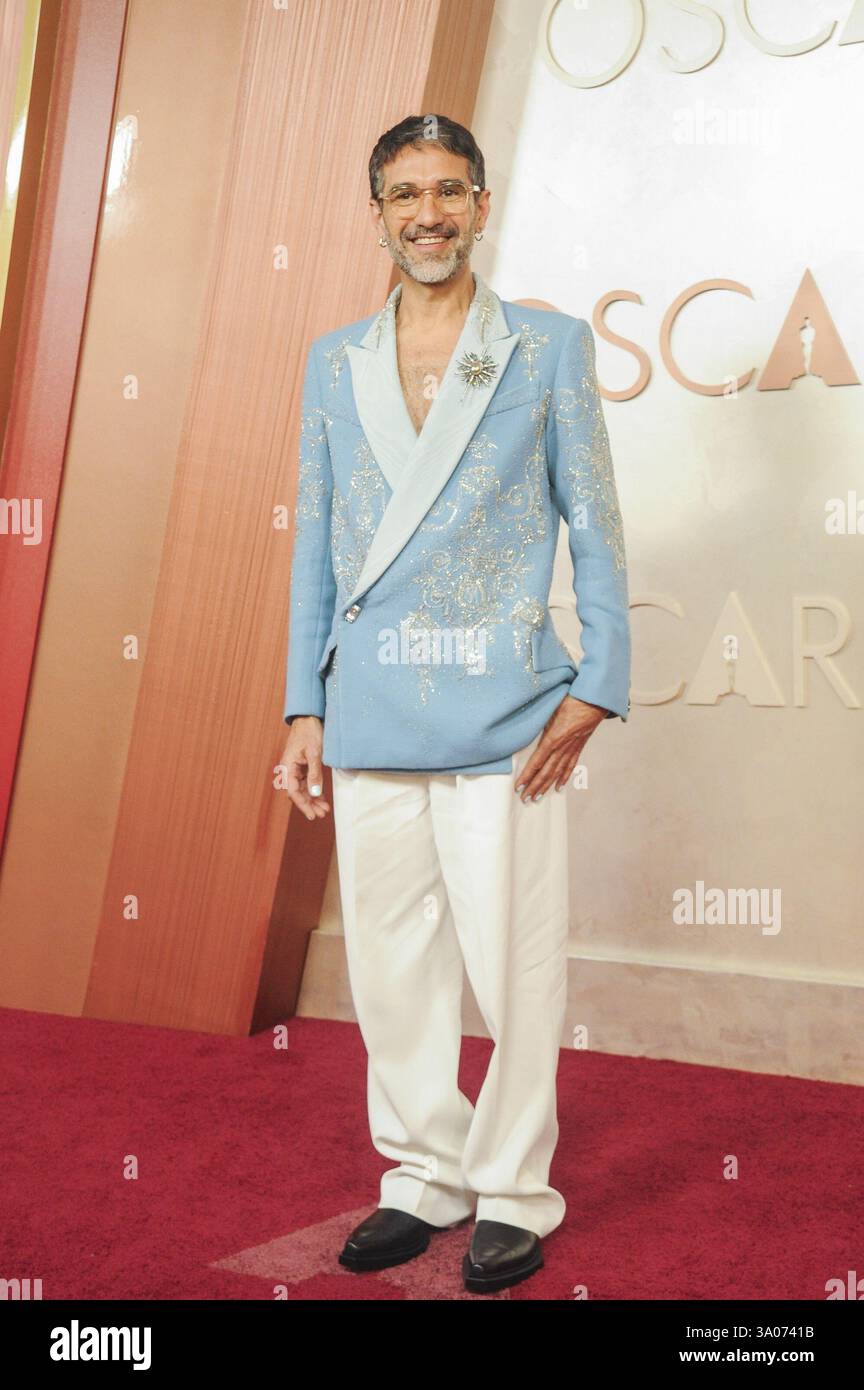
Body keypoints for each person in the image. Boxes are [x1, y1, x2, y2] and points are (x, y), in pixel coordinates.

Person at [281, 113, 631, 1294]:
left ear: (481, 203)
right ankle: (424, 1170)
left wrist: (602, 683)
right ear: (374, 211)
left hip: (504, 711)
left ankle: (516, 1189)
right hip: (371, 705)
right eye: (402, 194)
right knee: (391, 967)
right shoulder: (334, 359)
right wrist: (301, 704)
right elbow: (318, 548)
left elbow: (596, 523)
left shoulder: (543, 346)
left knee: (513, 963)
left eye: (448, 190)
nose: (426, 213)